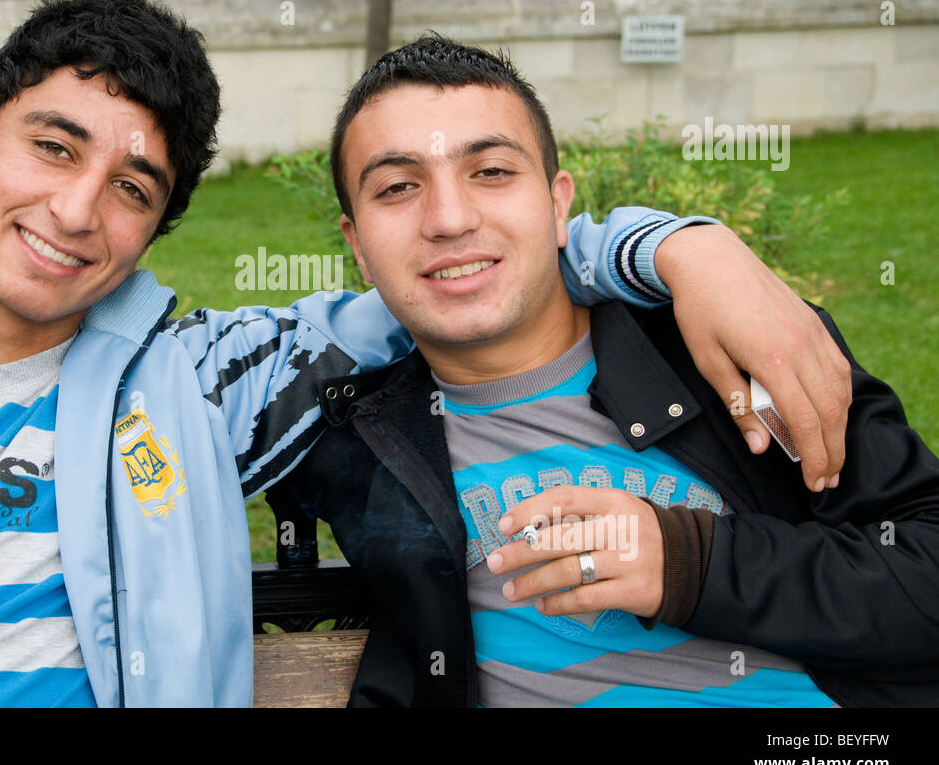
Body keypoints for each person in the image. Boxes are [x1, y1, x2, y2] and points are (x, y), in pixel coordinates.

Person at [0, 0, 853, 708]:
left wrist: (679, 247)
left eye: (131, 185)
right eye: (51, 148)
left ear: (155, 228)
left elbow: (463, 264)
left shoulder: (202, 382)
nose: (76, 212)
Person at [277, 35, 939, 707]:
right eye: (397, 187)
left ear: (559, 203)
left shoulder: (730, 348)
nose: (449, 219)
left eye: (493, 172)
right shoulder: (350, 425)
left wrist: (689, 564)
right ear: (356, 244)